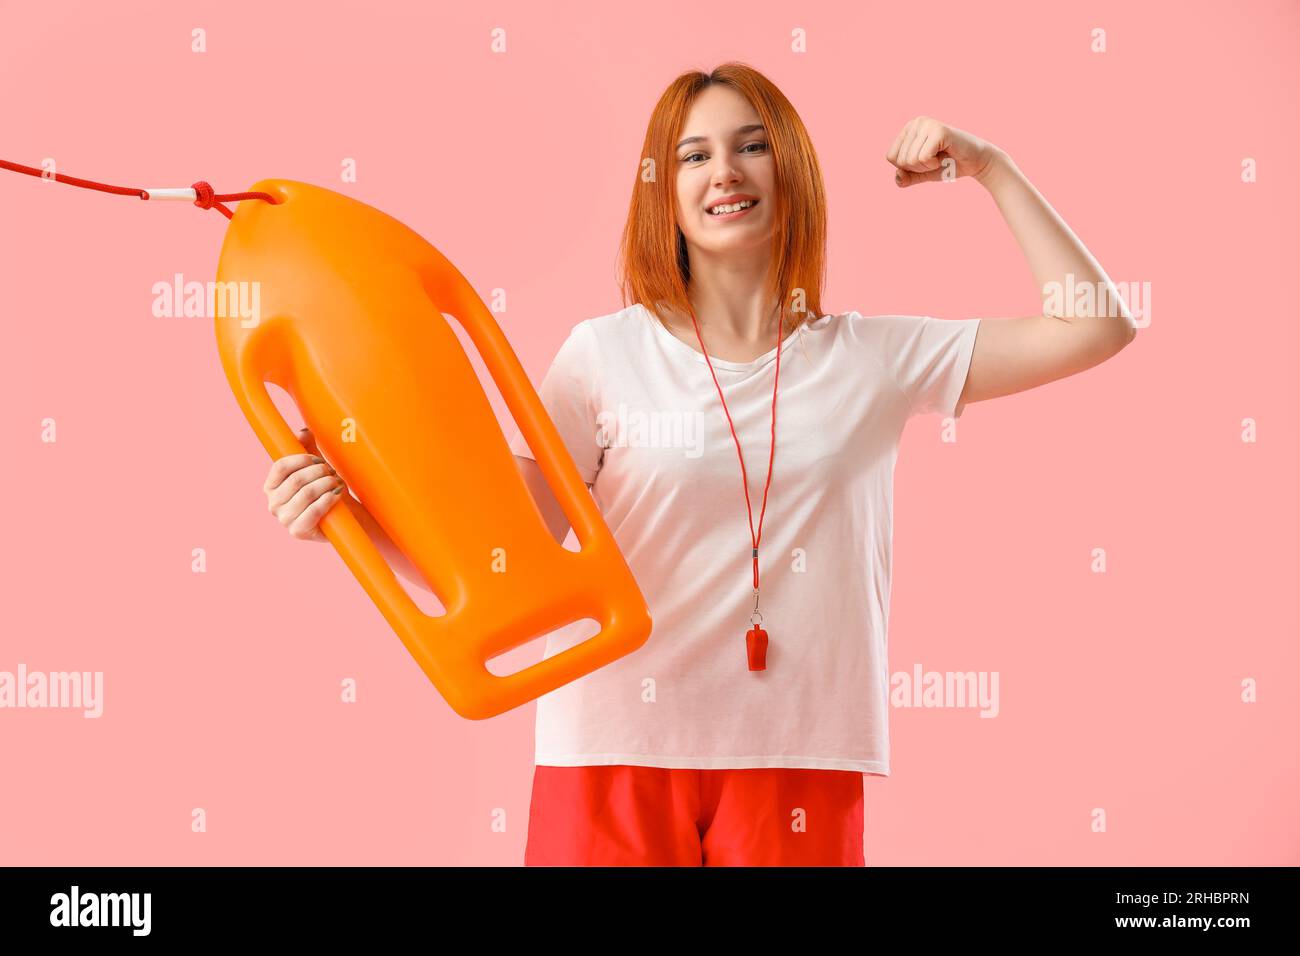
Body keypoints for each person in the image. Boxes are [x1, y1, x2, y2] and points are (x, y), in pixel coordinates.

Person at [263, 62, 1136, 867]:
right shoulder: (603, 355)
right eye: (694, 155)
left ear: (790, 171)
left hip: (800, 757)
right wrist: (351, 522)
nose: (726, 171)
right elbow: (508, 555)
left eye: (753, 145)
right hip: (611, 753)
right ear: (664, 192)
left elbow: (1095, 326)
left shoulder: (876, 357)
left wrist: (990, 167)